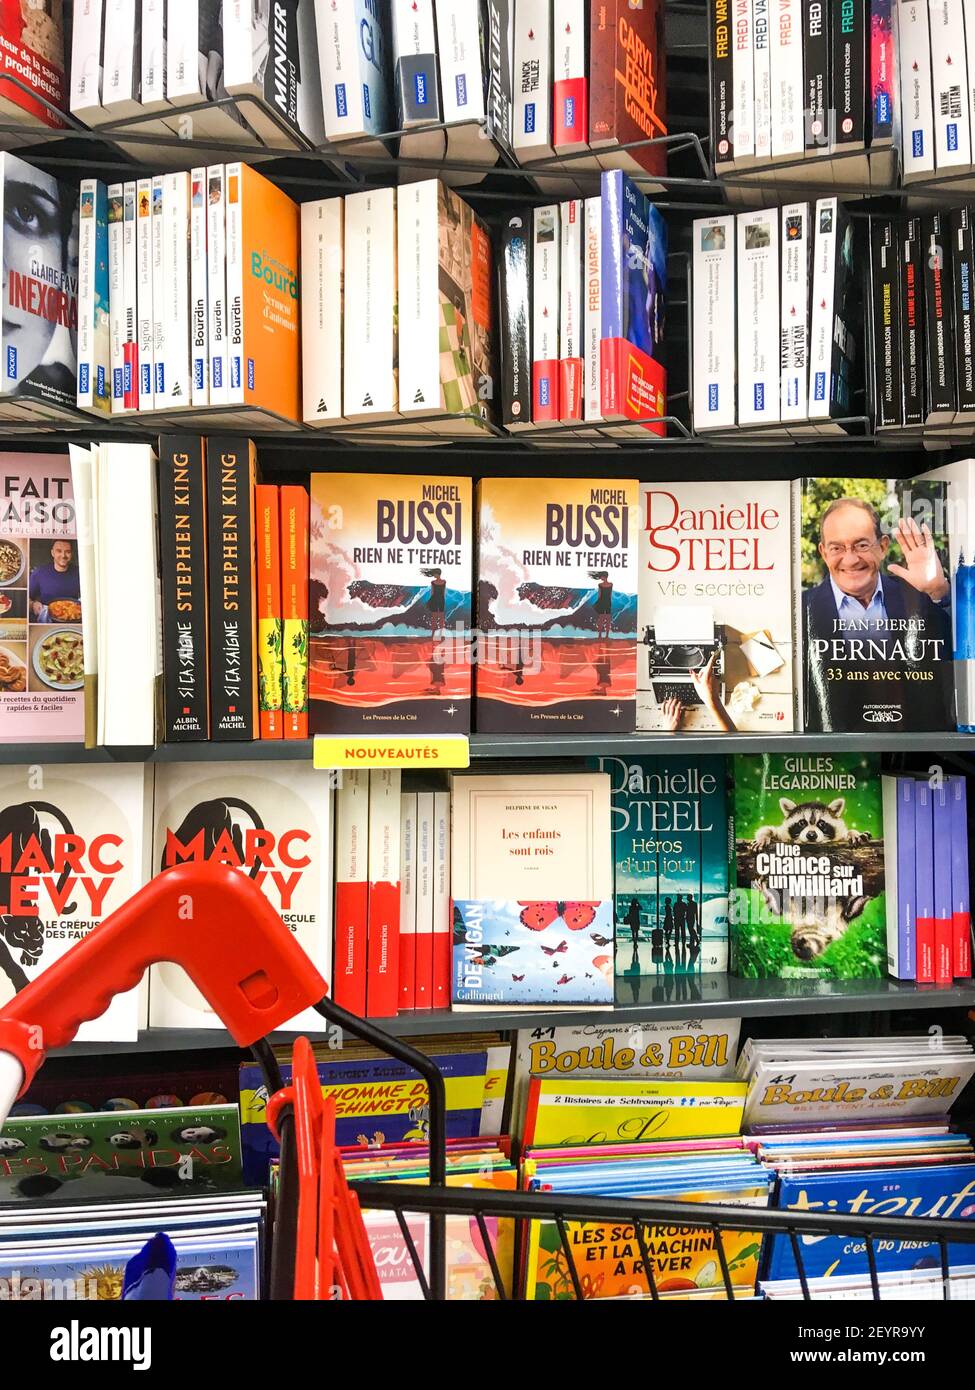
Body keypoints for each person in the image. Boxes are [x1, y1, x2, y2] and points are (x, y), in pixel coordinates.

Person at [803, 499, 953, 731]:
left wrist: (938, 592)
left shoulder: (917, 596)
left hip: (915, 753)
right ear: (823, 552)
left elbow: (958, 657)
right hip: (833, 754)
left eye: (861, 545)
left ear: (883, 547)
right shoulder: (800, 611)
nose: (851, 559)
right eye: (837, 548)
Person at [29, 539, 79, 620]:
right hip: (47, 621)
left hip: (74, 619)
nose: (63, 555)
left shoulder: (79, 572)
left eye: (68, 552)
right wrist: (32, 604)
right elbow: (27, 599)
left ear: (71, 554)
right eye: (59, 551)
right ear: (52, 553)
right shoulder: (39, 573)